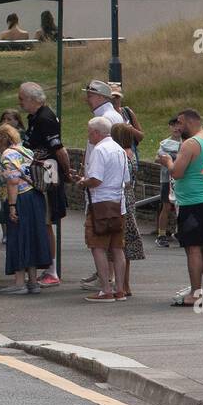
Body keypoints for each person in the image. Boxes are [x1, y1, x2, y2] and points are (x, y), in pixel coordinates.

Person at [159, 109, 203, 307]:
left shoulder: (190, 144)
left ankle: (196, 294)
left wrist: (168, 161)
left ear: (187, 121)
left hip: (192, 203)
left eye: (179, 123)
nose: (178, 128)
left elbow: (177, 173)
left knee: (193, 249)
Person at [19, 81, 72, 287]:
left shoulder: (45, 118)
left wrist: (66, 172)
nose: (20, 103)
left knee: (46, 221)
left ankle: (51, 270)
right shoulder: (35, 117)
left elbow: (59, 149)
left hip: (46, 179)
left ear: (33, 100)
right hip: (38, 176)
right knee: (42, 221)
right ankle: (46, 268)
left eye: (22, 99)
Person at [0, 123, 51, 294]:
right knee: (31, 237)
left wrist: (11, 206)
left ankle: (19, 282)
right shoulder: (26, 151)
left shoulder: (8, 154)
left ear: (2, 139)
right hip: (35, 198)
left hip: (21, 198)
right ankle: (32, 281)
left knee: (17, 236)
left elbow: (13, 182)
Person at [77, 79, 125, 291]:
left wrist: (84, 180)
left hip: (102, 195)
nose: (87, 100)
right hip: (117, 195)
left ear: (99, 97)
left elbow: (98, 173)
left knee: (99, 243)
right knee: (116, 246)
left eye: (89, 95)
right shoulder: (111, 117)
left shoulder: (105, 119)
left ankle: (106, 283)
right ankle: (117, 286)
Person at [110, 121, 145, 296]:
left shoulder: (120, 154)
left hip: (121, 198)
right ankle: (125, 283)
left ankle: (121, 284)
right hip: (131, 197)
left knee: (118, 242)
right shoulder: (131, 154)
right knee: (126, 243)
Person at [154, 117, 183, 247]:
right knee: (166, 206)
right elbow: (157, 158)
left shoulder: (188, 142)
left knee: (182, 207)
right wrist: (168, 160)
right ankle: (161, 235)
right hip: (167, 179)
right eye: (173, 125)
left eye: (179, 125)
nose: (176, 128)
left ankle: (180, 232)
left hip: (182, 179)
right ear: (170, 127)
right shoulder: (165, 143)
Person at [109, 83, 143, 160]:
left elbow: (140, 136)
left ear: (120, 97)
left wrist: (131, 129)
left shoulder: (127, 112)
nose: (114, 99)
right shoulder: (106, 116)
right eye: (111, 97)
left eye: (117, 97)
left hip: (130, 155)